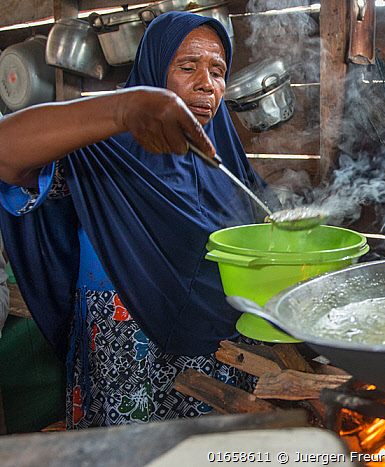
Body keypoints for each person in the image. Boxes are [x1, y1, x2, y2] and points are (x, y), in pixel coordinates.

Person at [0, 12, 268, 428]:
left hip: (215, 354)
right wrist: (124, 109)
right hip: (129, 348)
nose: (205, 83)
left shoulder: (225, 159)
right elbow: (5, 154)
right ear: (153, 68)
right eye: (186, 66)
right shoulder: (102, 151)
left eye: (217, 71)